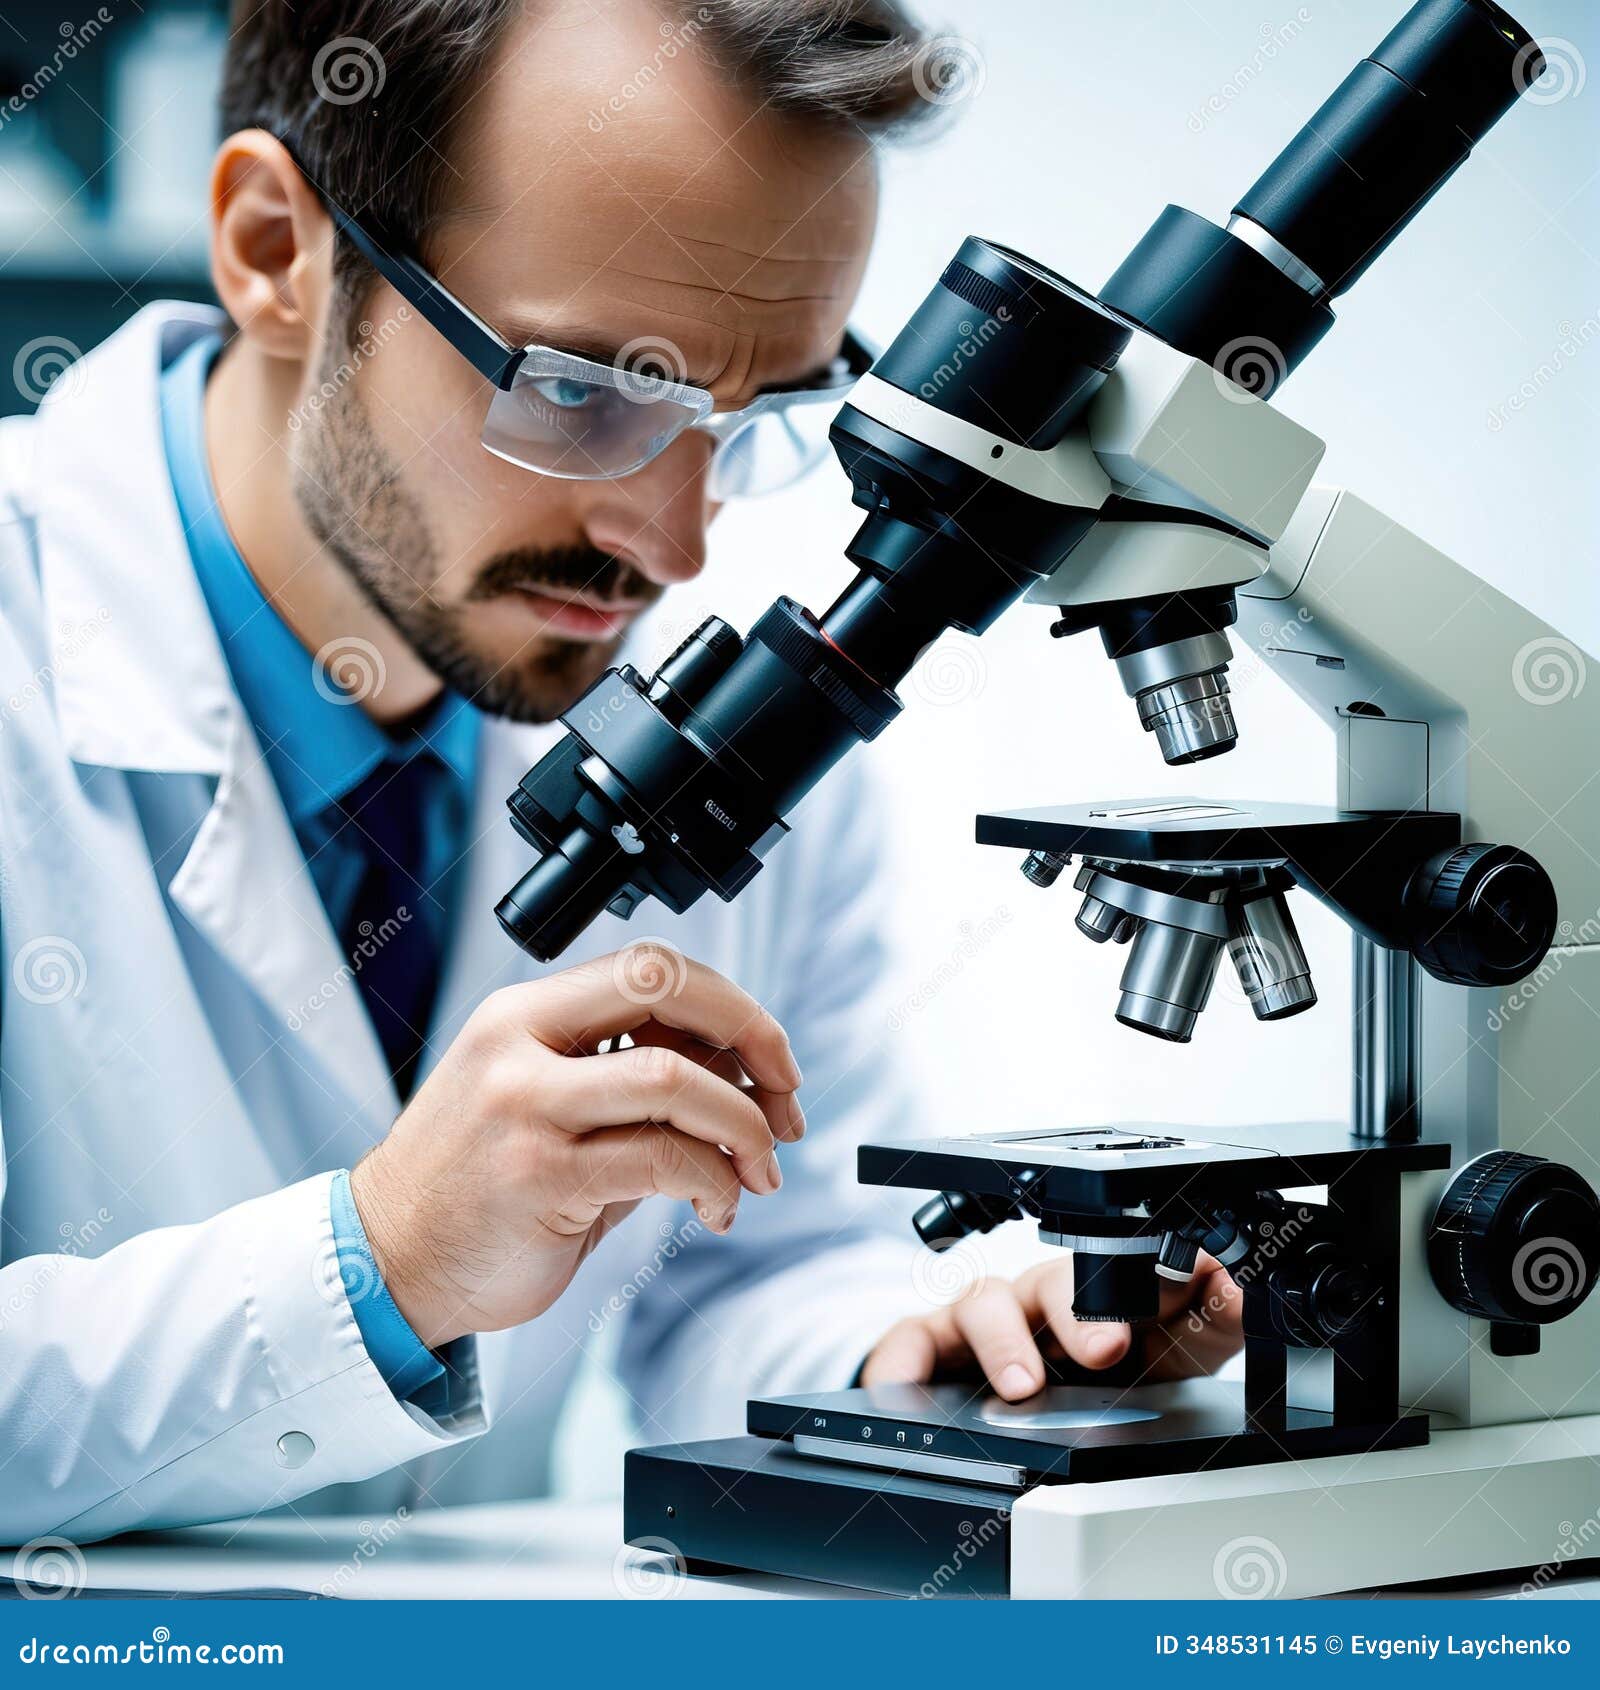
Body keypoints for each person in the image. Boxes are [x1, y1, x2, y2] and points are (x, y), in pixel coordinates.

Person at [0, 0, 1240, 1544]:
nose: (675, 542)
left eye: (759, 411)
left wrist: (920, 1357)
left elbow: (748, 1267)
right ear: (273, 250)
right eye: (583, 391)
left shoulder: (734, 740)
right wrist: (380, 1261)